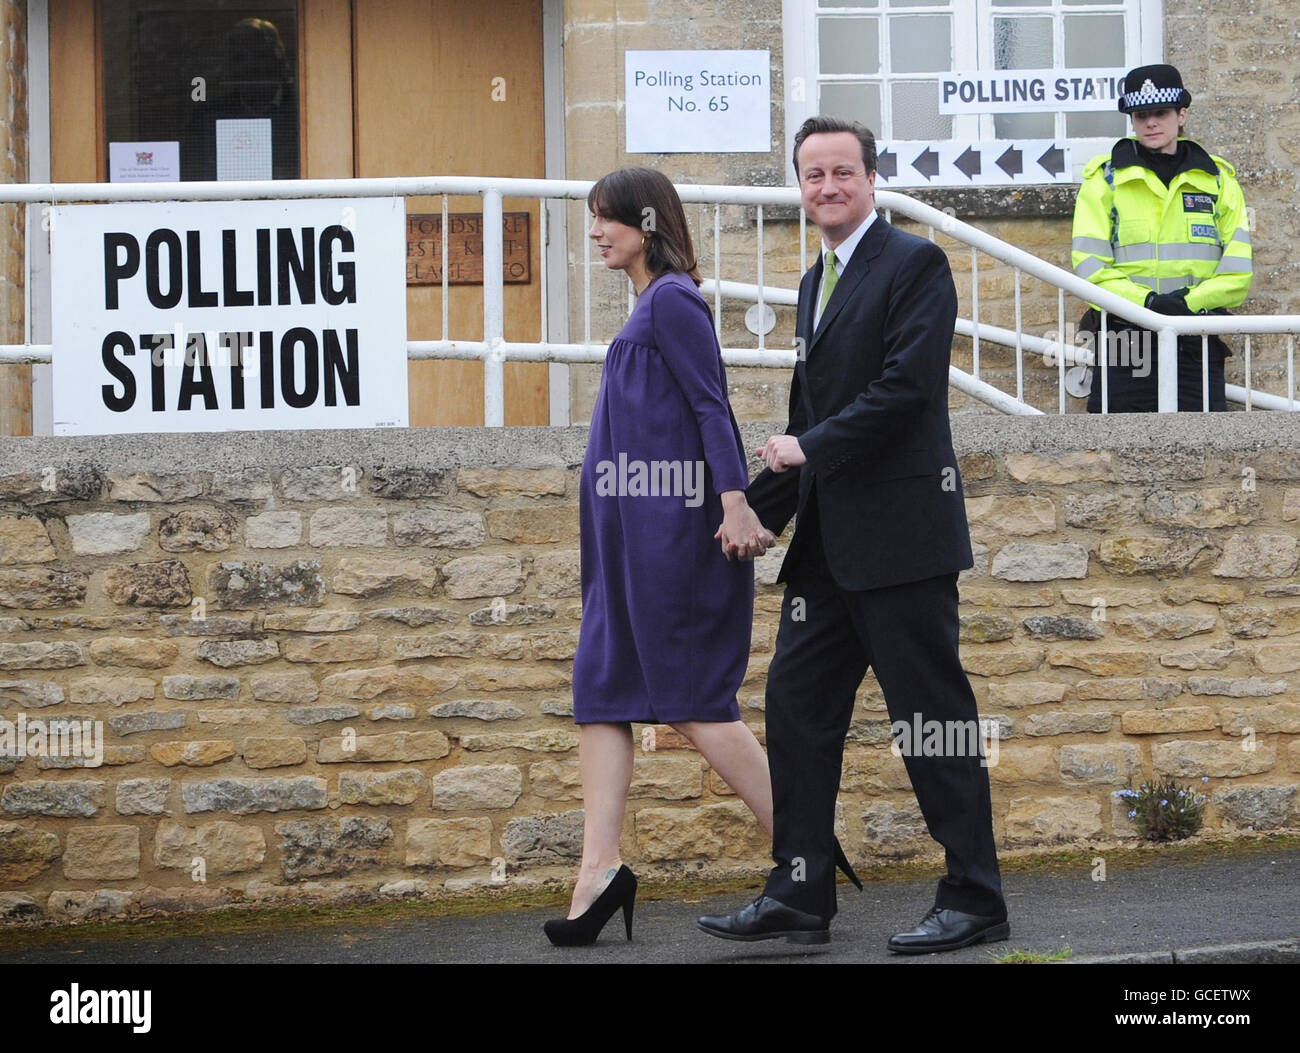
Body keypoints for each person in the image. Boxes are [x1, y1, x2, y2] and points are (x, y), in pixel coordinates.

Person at [697, 116, 1009, 953]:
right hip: (829, 554)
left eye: (842, 172)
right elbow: (810, 418)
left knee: (930, 722)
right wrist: (757, 507)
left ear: (871, 177)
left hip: (904, 543)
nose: (827, 187)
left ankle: (975, 897)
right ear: (799, 186)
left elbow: (907, 389)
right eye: (812, 176)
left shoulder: (916, 264)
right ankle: (800, 894)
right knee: (796, 712)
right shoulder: (813, 281)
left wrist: (811, 447)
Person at [543, 166, 777, 946]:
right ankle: (599, 869)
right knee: (602, 688)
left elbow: (713, 405)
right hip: (624, 541)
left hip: (668, 539)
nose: (597, 232)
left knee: (690, 695)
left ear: (647, 222)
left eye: (608, 219)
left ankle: (800, 842)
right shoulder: (649, 304)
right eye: (592, 220)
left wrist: (735, 500)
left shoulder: (674, 299)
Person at [1071, 63, 1252, 412]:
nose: (1150, 122)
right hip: (1125, 341)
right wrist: (1149, 303)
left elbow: (1238, 273)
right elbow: (1090, 268)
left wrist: (1187, 302)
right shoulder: (1103, 181)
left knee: (1205, 452)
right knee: (1115, 452)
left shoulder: (1218, 181)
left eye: (1161, 112)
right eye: (1141, 115)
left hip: (1195, 338)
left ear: (1181, 115)